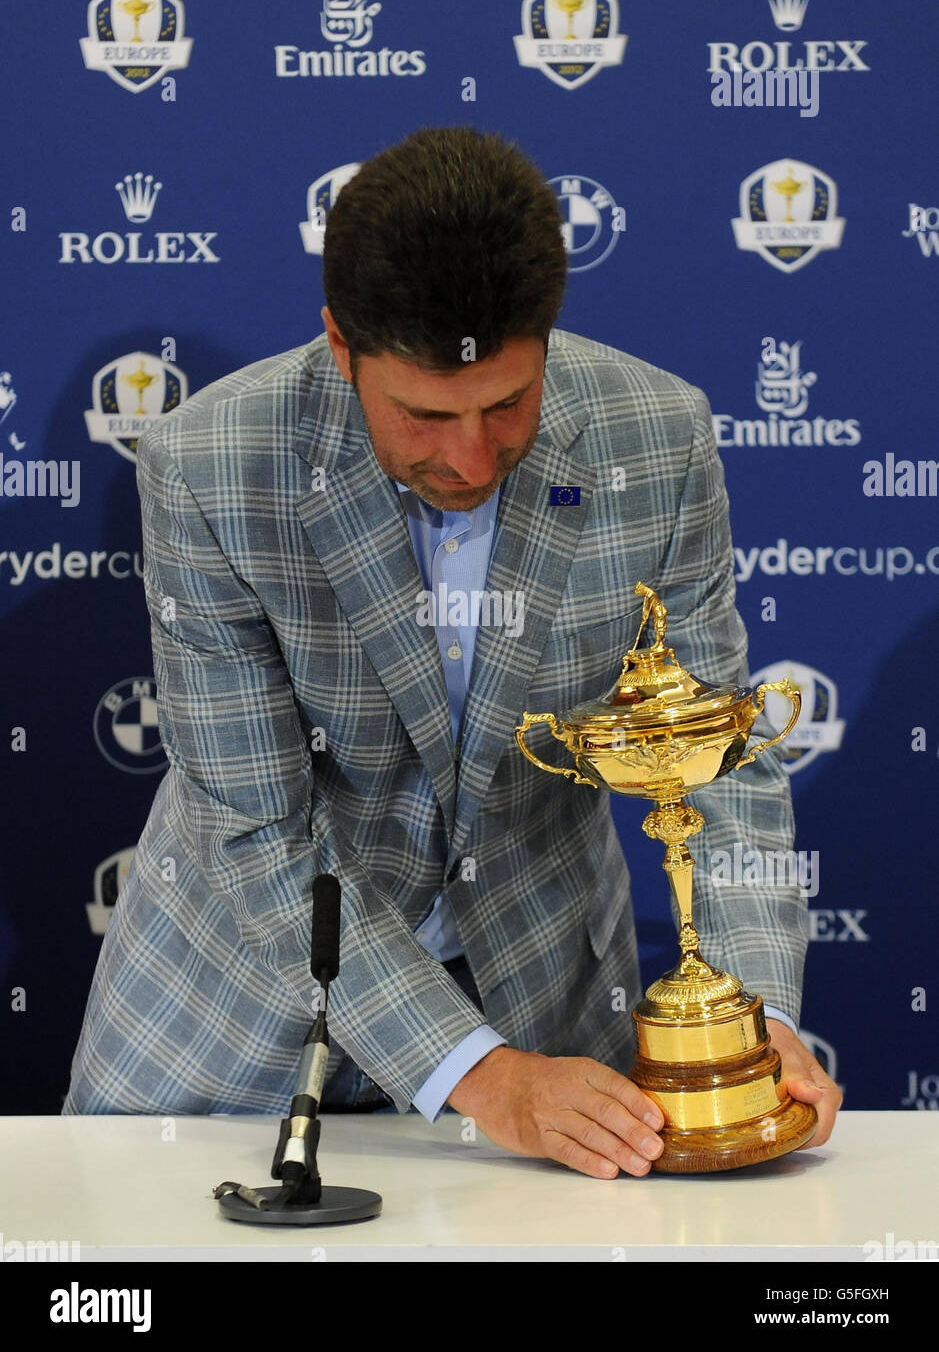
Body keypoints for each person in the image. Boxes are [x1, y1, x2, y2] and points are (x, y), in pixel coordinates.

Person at [63, 126, 840, 1179]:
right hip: (231, 1035)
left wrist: (755, 1017)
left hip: (554, 1021)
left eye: (508, 405)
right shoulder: (211, 468)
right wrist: (483, 1073)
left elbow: (719, 760)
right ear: (342, 350)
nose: (471, 457)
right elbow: (256, 838)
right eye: (425, 416)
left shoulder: (658, 439)